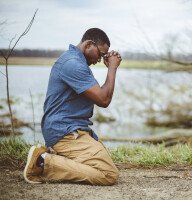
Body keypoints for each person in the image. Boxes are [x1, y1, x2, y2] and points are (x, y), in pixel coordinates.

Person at [23, 28, 122, 185]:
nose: (100, 59)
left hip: (69, 129)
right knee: (108, 174)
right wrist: (112, 68)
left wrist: (111, 67)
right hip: (64, 131)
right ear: (89, 44)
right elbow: (104, 100)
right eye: (101, 54)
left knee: (101, 165)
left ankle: (58, 158)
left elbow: (102, 95)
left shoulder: (78, 63)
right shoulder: (73, 65)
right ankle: (41, 162)